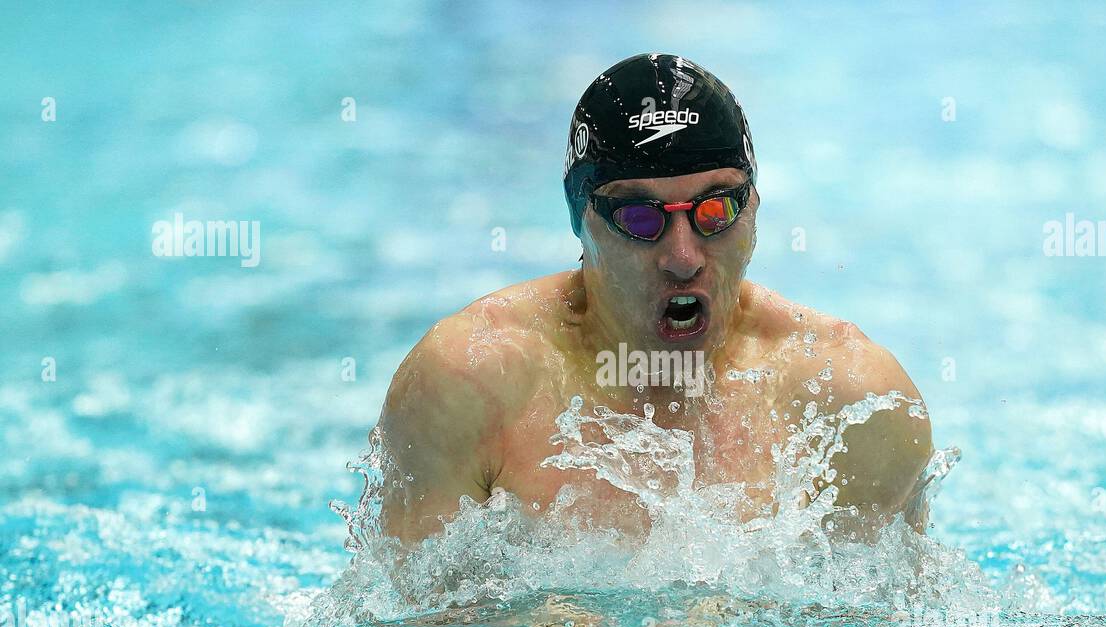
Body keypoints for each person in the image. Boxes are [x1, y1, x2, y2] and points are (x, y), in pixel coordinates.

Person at [377, 53, 932, 547]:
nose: (683, 257)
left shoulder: (852, 403)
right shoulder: (469, 386)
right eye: (640, 219)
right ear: (580, 219)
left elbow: (885, 622)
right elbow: (416, 624)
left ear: (754, 208)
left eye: (716, 210)